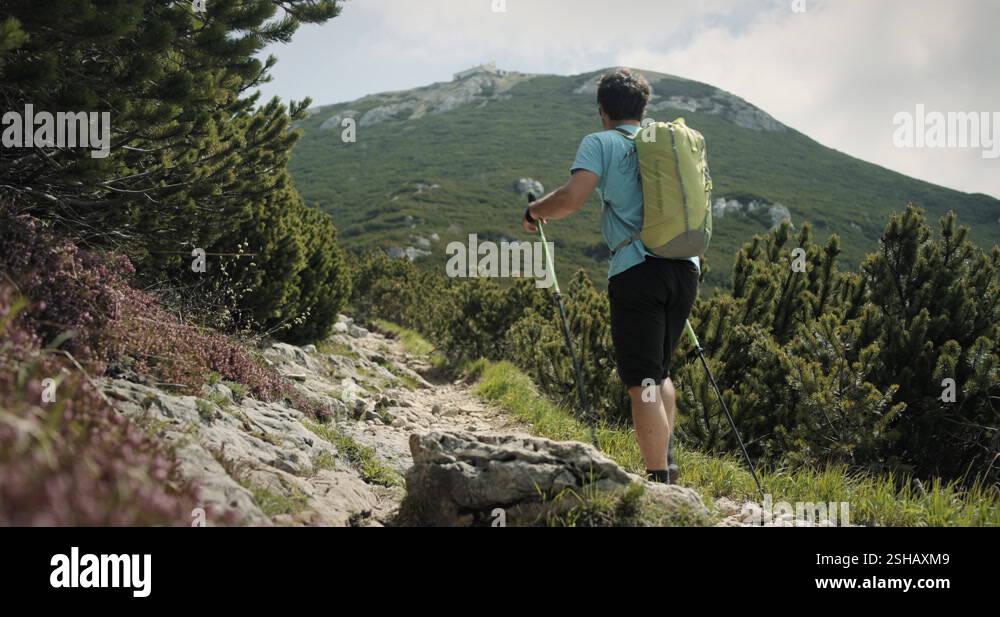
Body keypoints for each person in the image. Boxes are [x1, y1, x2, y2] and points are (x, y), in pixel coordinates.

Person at [521, 68, 700, 484]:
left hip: (638, 270)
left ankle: (659, 482)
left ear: (602, 110)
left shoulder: (600, 141)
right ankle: (668, 466)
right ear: (643, 107)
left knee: (642, 381)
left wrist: (534, 212)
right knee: (661, 371)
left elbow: (571, 199)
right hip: (685, 266)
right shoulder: (666, 144)